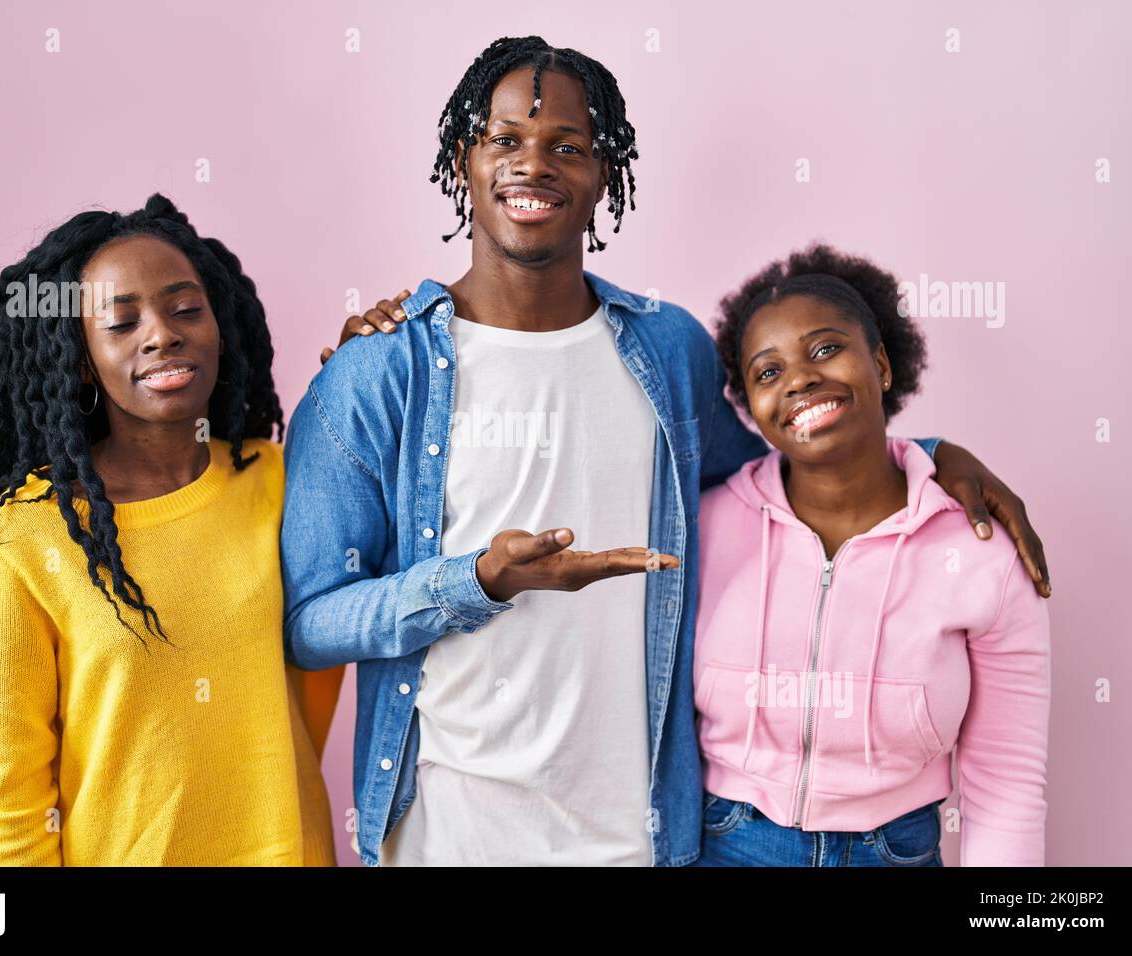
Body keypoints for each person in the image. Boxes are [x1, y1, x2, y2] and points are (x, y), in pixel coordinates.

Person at [289, 36, 1050, 867]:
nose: (532, 164)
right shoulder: (375, 377)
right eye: (503, 140)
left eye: (567, 147)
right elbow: (310, 623)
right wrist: (472, 583)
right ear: (463, 160)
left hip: (639, 838)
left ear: (602, 178)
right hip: (443, 837)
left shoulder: (667, 352)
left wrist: (931, 454)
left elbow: (784, 458)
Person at [0, 194, 343, 865]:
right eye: (121, 322)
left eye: (185, 308)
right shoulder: (23, 540)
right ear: (81, 360)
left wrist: (376, 367)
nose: (161, 334)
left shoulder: (282, 482)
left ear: (219, 326)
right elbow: (5, 805)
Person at [690, 243, 1050, 866]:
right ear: (751, 407)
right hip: (726, 842)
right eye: (768, 372)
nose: (800, 379)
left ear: (881, 364)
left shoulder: (981, 546)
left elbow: (1007, 781)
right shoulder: (705, 525)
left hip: (895, 850)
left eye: (826, 349)